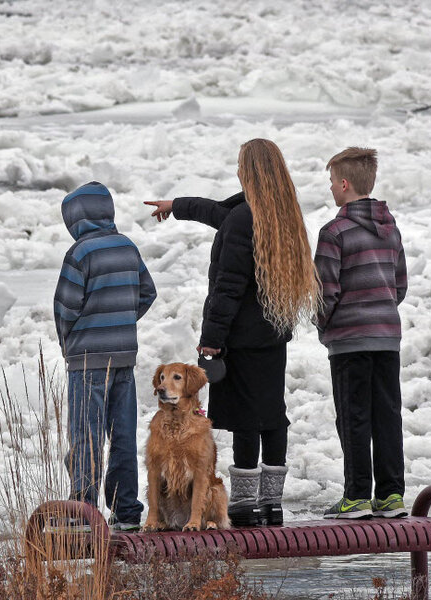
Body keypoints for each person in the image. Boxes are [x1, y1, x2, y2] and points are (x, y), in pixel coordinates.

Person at [145, 139, 320, 526]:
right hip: (273, 333)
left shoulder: (244, 219)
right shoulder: (280, 212)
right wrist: (178, 206)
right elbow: (220, 211)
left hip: (240, 339)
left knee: (245, 419)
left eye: (242, 166)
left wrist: (211, 339)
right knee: (273, 417)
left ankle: (242, 505)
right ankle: (271, 503)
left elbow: (229, 286)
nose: (238, 171)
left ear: (250, 172)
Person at [54, 181, 157, 532]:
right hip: (124, 358)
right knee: (122, 434)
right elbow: (147, 292)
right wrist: (123, 321)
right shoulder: (127, 246)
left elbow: (65, 307)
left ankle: (82, 510)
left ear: (77, 220)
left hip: (87, 362)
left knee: (87, 434)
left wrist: (71, 342)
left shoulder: (80, 254)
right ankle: (126, 510)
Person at [314, 147, 408, 519]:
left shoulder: (334, 231)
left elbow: (325, 290)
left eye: (332, 182)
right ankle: (390, 495)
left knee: (353, 415)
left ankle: (356, 496)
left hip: (350, 340)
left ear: (344, 183)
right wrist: (381, 313)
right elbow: (399, 285)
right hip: (386, 336)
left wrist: (325, 325)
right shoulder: (391, 228)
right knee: (387, 413)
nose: (331, 189)